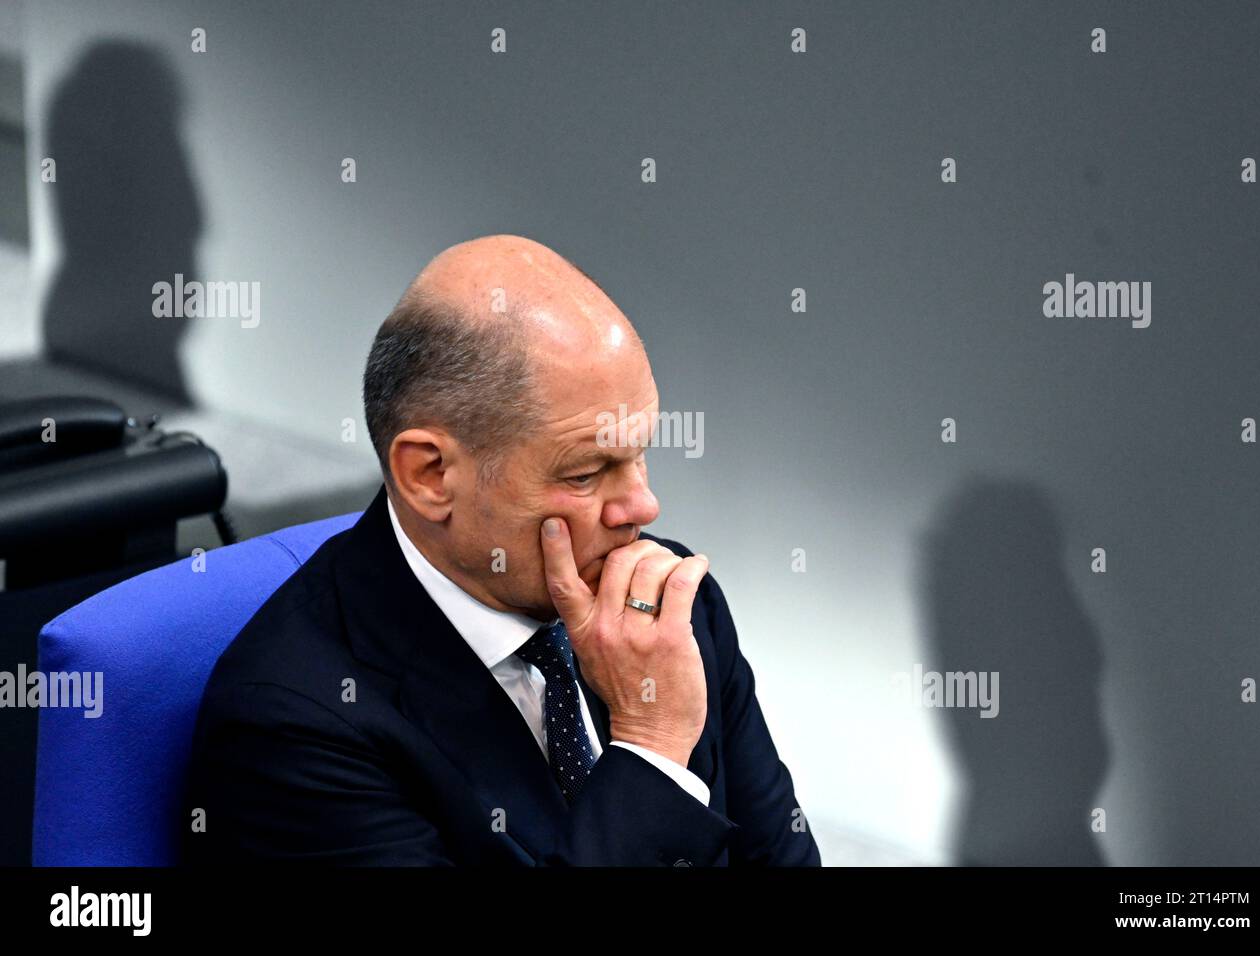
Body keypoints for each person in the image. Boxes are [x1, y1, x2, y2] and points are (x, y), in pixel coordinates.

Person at [181, 234, 820, 865]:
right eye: (585, 473)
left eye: (640, 453)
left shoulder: (669, 607)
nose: (642, 508)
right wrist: (651, 748)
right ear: (430, 475)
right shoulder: (296, 726)